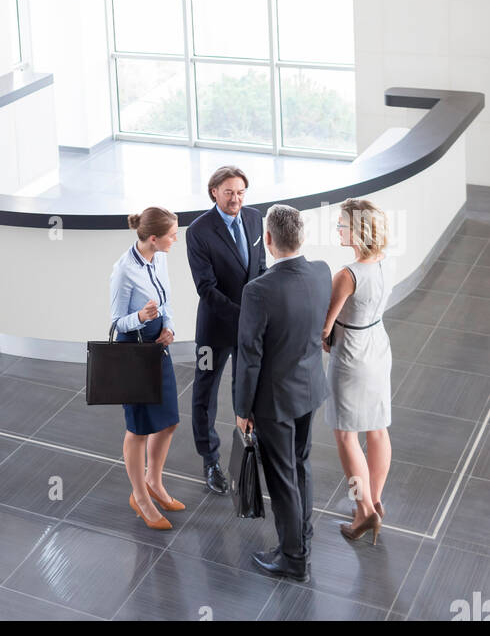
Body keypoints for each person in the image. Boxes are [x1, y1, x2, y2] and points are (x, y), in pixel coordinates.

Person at [234, 203, 331, 583]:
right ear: (301, 236)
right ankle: (301, 536)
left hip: (274, 401)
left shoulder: (258, 291)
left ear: (269, 241)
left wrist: (242, 407)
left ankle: (293, 558)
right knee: (301, 464)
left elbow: (249, 356)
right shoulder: (322, 272)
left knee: (282, 476)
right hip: (309, 389)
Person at [186, 165, 265, 493]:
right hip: (215, 328)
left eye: (241, 192)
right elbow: (206, 288)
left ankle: (248, 445)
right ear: (214, 192)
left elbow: (260, 267)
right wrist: (243, 315)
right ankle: (210, 460)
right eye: (230, 192)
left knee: (246, 387)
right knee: (205, 392)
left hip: (250, 325)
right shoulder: (198, 231)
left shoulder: (255, 218)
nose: (237, 199)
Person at [323, 198, 395, 546]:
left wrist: (323, 338)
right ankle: (374, 500)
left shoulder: (346, 275)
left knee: (345, 436)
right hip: (378, 346)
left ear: (357, 229)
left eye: (341, 224)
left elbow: (326, 326)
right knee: (377, 429)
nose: (338, 229)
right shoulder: (385, 262)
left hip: (351, 355)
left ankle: (362, 509)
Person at [110, 207, 184, 531]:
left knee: (168, 421)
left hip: (158, 346)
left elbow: (166, 302)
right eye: (172, 234)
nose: (176, 238)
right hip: (134, 351)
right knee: (138, 428)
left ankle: (153, 481)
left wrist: (168, 325)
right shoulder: (123, 271)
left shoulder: (161, 258)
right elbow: (116, 322)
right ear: (154, 238)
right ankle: (139, 496)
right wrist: (140, 317)